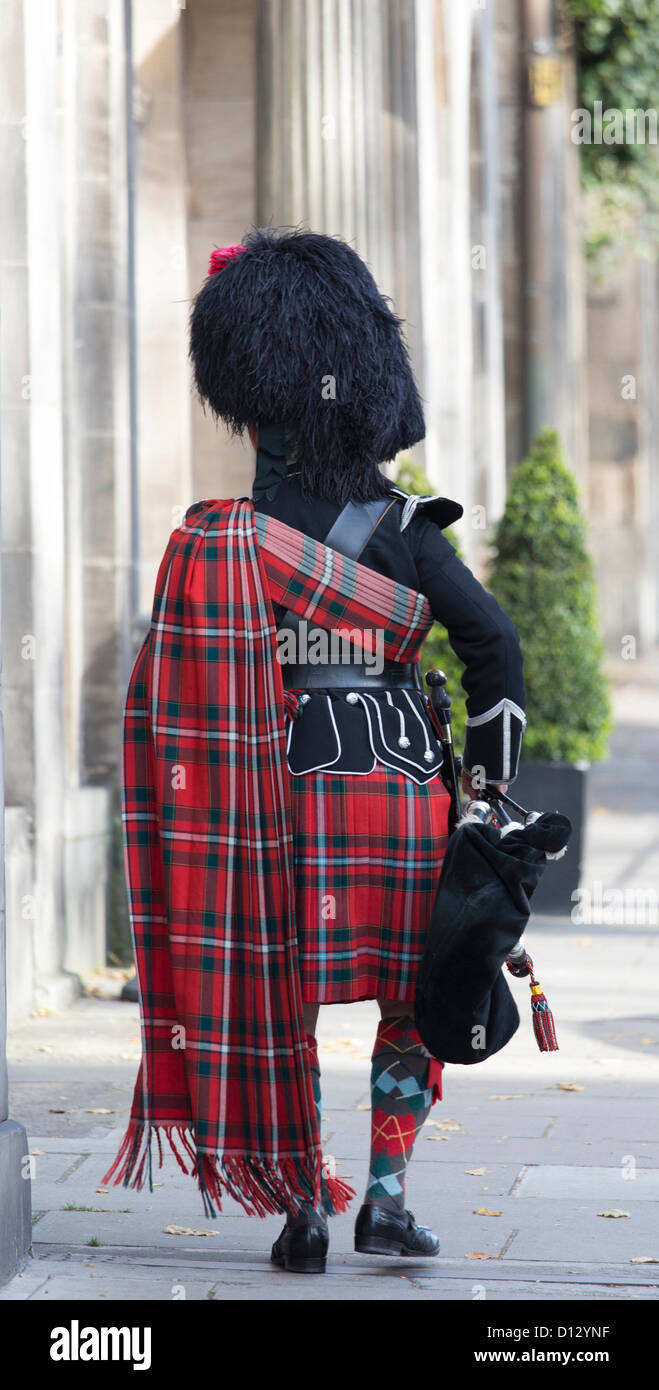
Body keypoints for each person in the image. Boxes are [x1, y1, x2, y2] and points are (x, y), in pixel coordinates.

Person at [103, 227, 525, 1276]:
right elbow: (494, 645)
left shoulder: (217, 534)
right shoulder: (407, 524)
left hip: (275, 792)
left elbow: (168, 697)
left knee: (274, 996)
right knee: (415, 1000)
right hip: (397, 792)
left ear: (249, 402)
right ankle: (382, 1196)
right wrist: (486, 783)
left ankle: (299, 1204)